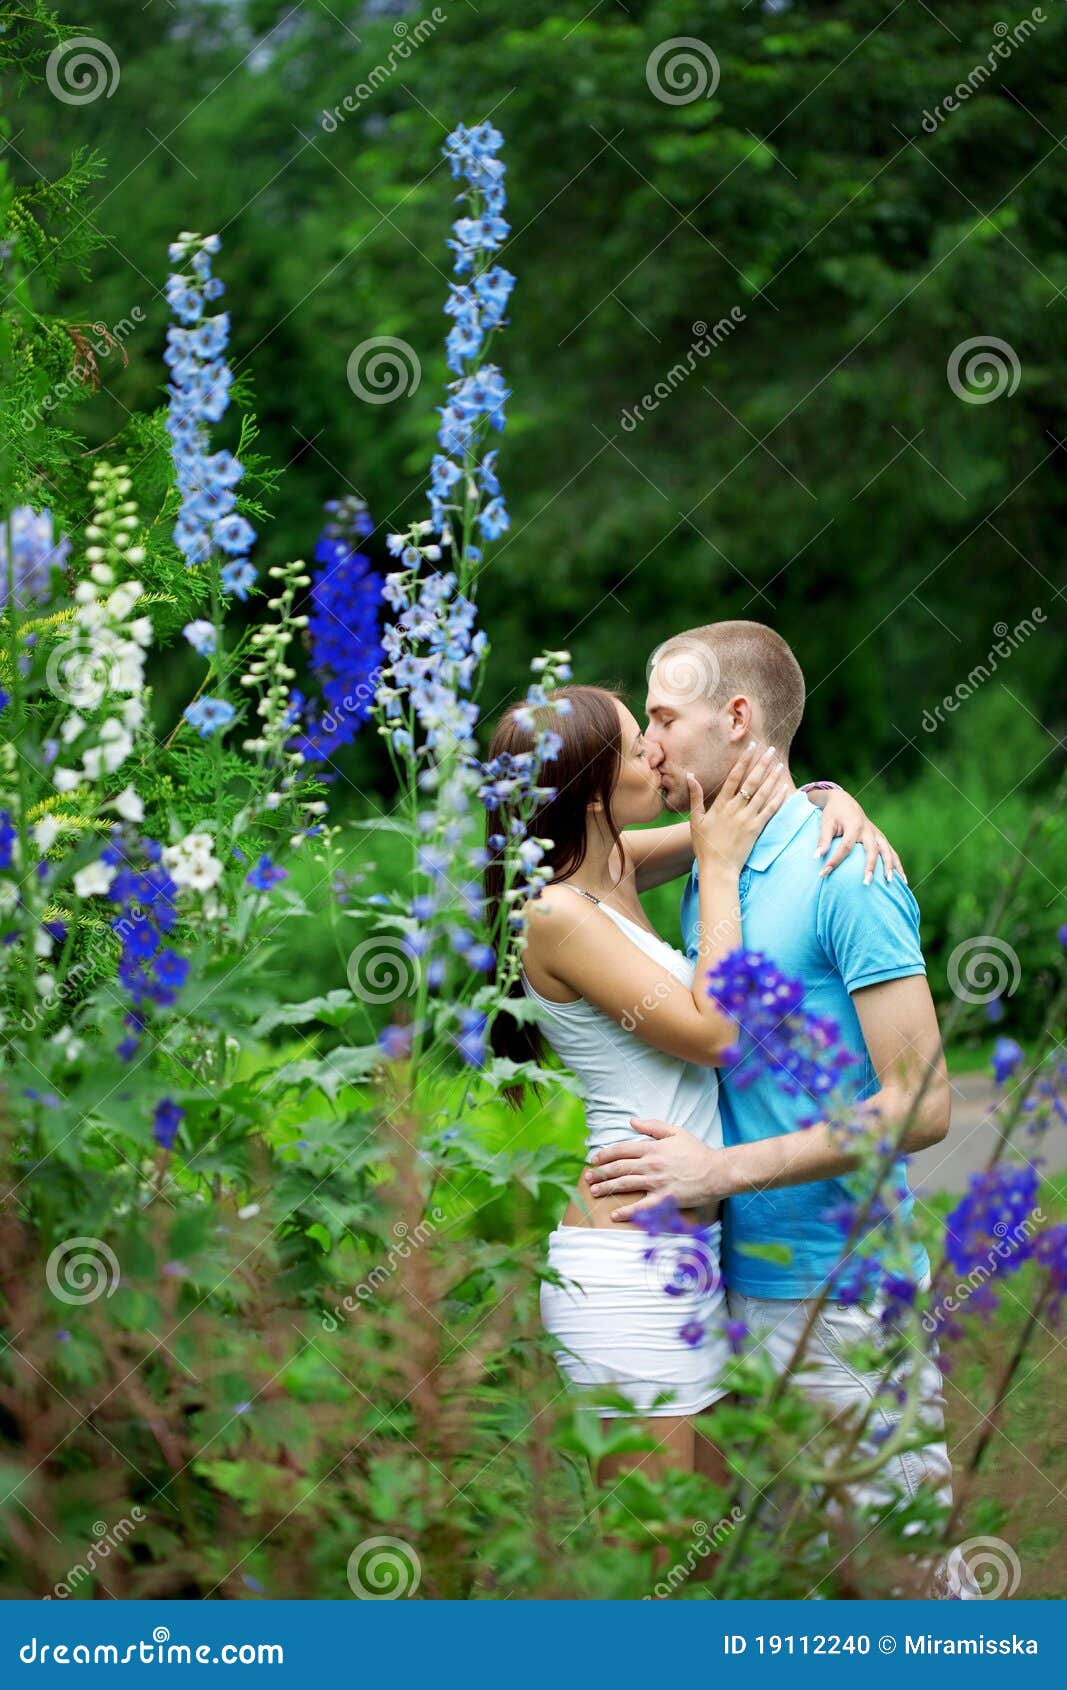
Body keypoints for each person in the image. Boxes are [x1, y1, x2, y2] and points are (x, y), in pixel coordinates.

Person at [584, 620, 961, 1549]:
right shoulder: (706, 864)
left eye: (664, 717)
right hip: (730, 1298)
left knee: (907, 1591)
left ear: (738, 718)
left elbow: (923, 1104)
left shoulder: (846, 871)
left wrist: (719, 1173)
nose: (648, 744)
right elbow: (577, 855)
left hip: (842, 1294)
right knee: (797, 1588)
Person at [483, 677, 903, 1490]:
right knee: (653, 1574)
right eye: (637, 742)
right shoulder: (555, 914)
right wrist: (713, 865)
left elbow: (750, 815)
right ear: (594, 790)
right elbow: (714, 1034)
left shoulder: (608, 866)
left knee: (699, 1562)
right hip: (625, 1268)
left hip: (691, 1256)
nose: (655, 750)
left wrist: (824, 795)